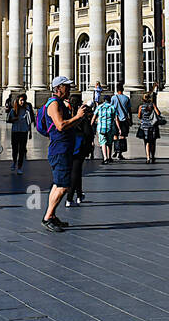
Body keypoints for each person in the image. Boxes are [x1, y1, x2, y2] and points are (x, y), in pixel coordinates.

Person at [41, 76, 90, 232]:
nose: (69, 89)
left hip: (64, 148)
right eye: (66, 87)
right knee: (63, 186)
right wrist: (77, 117)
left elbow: (70, 125)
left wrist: (79, 117)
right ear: (58, 88)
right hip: (59, 150)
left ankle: (52, 215)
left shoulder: (61, 103)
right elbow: (61, 126)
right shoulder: (54, 104)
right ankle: (48, 217)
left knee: (57, 184)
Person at [64, 94, 91, 207]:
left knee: (76, 171)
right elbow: (88, 132)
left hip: (68, 145)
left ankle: (79, 195)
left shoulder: (66, 113)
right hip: (80, 145)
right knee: (76, 171)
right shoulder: (81, 115)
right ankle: (69, 198)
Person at [8, 93, 35, 173]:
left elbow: (29, 121)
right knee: (15, 149)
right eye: (21, 100)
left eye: (24, 100)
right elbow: (8, 120)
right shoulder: (13, 110)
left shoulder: (27, 110)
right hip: (15, 131)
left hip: (24, 131)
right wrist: (14, 119)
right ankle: (14, 162)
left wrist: (30, 132)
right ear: (18, 101)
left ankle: (20, 167)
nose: (22, 102)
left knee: (22, 150)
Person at [137, 93, 162, 163]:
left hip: (144, 126)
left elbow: (139, 116)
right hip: (153, 126)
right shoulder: (152, 105)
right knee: (153, 142)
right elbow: (158, 113)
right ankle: (153, 156)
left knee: (147, 142)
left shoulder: (141, 107)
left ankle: (148, 158)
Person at [110, 83, 132, 160]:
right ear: (122, 89)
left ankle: (116, 150)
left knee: (115, 135)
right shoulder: (126, 98)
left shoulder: (113, 98)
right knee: (122, 136)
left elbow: (111, 108)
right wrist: (131, 119)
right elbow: (129, 110)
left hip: (116, 120)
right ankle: (120, 153)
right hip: (124, 119)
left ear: (117, 89)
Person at [94, 93, 116, 163]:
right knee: (109, 143)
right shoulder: (112, 107)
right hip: (110, 127)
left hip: (101, 127)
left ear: (103, 100)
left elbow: (94, 117)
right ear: (110, 100)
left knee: (103, 142)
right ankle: (109, 157)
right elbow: (115, 118)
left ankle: (105, 158)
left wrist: (91, 124)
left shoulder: (99, 107)